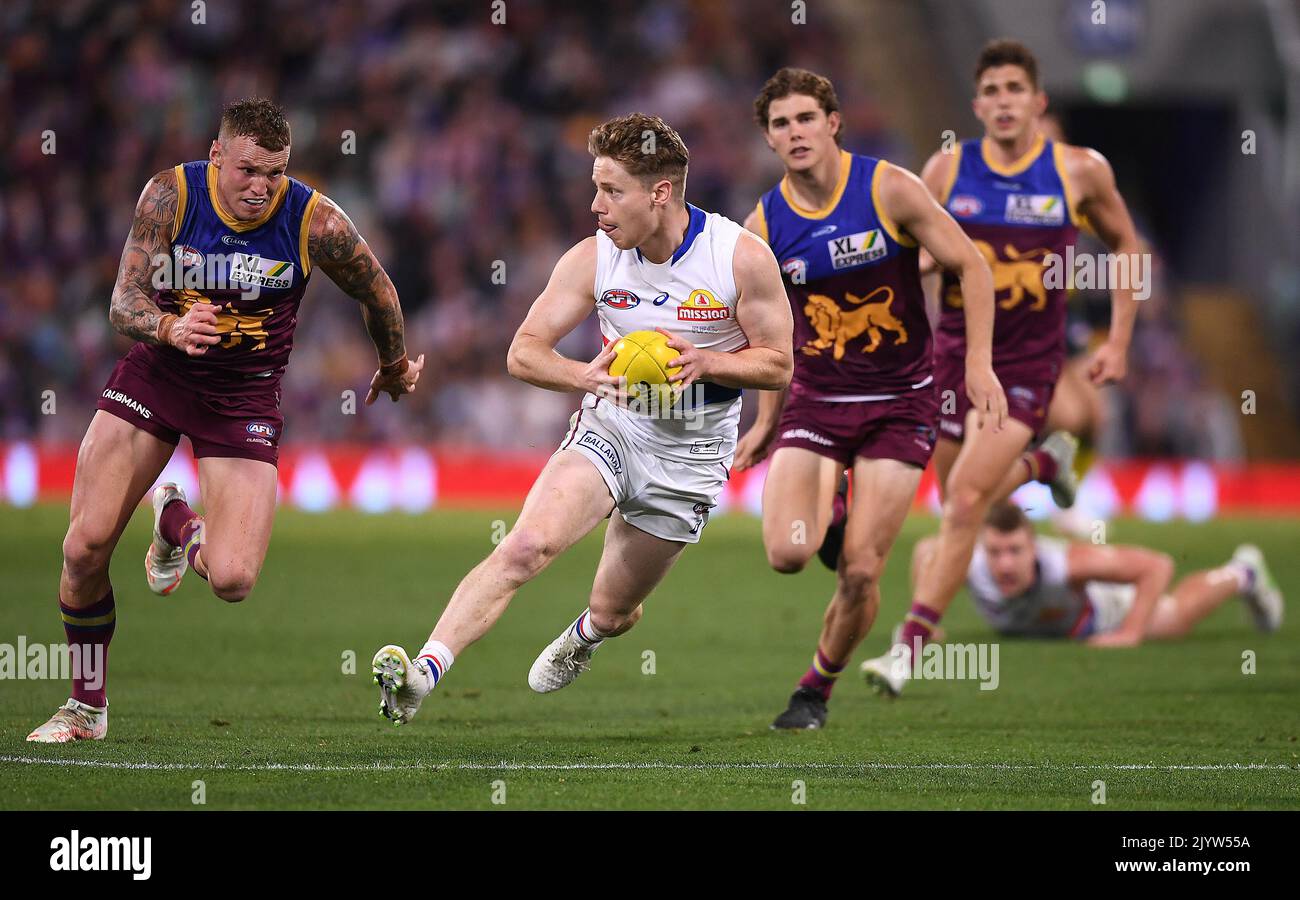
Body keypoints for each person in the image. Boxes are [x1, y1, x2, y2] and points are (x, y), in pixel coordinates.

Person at [370, 113, 793, 725]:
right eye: (594, 187)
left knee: (616, 608)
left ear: (661, 192)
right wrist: (584, 377)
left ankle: (589, 634)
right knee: (525, 547)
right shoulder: (592, 259)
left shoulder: (740, 259)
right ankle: (421, 676)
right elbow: (523, 351)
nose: (595, 205)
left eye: (611, 190)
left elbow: (780, 365)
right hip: (614, 424)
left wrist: (706, 360)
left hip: (694, 454)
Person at [27, 98, 425, 743]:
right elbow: (123, 301)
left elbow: (378, 289)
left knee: (234, 580)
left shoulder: (313, 220)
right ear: (217, 156)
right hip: (158, 376)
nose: (260, 186)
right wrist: (167, 325)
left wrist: (392, 363)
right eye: (247, 170)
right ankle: (86, 708)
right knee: (83, 547)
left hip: (243, 399)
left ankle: (175, 522)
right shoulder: (170, 196)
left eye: (275, 172)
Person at [862, 39, 1143, 695]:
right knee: (960, 502)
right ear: (977, 105)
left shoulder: (1078, 170)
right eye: (991, 91)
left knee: (965, 501)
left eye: (1015, 88)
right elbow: (915, 253)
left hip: (1026, 365)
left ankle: (910, 645)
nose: (1003, 101)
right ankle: (1046, 467)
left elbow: (1126, 243)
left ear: (1038, 102)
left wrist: (1119, 340)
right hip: (955, 357)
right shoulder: (947, 170)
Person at [732, 68, 1004, 730]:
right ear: (768, 139)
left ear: (833, 122)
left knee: (859, 571)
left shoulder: (889, 190)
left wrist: (976, 364)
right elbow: (766, 330)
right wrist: (767, 418)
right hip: (817, 403)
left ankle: (813, 692)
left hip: (901, 403)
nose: (794, 133)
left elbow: (970, 264)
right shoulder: (763, 226)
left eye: (805, 118)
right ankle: (837, 502)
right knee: (789, 552)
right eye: (780, 124)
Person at [893, 502, 1283, 655]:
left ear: (1034, 548)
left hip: (1101, 610)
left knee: (1174, 618)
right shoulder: (968, 561)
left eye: (1016, 551)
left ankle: (1242, 572)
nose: (1005, 564)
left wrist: (1130, 633)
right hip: (1045, 624)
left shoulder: (1066, 563)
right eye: (996, 552)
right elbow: (926, 549)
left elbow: (1158, 566)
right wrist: (929, 621)